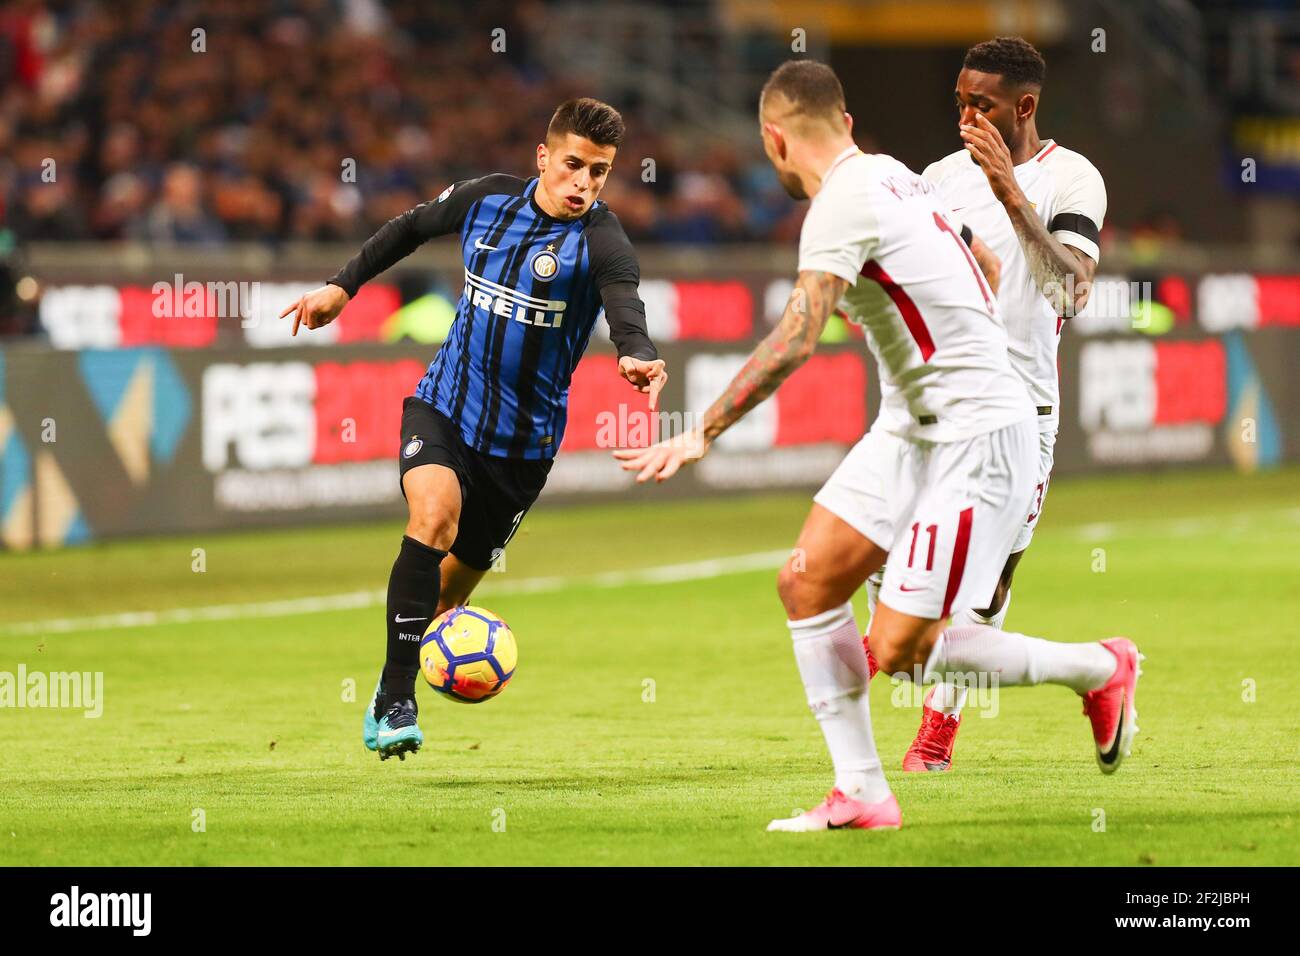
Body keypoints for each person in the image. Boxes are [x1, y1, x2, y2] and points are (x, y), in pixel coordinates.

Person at [615, 60, 1139, 832]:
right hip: (910, 425)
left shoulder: (839, 207)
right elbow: (985, 261)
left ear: (774, 140)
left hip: (978, 432)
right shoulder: (900, 175)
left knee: (901, 648)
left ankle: (1101, 667)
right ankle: (861, 791)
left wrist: (699, 432)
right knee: (807, 583)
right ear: (848, 125)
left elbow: (795, 340)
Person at [281, 98, 667, 760]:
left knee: (444, 600)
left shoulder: (601, 239)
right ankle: (402, 697)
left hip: (520, 453)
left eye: (598, 172)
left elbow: (623, 300)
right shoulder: (485, 201)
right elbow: (408, 228)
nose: (583, 183)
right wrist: (343, 287)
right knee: (432, 515)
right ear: (543, 158)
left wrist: (634, 348)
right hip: (444, 407)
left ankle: (385, 685)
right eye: (573, 165)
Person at [875, 36, 1109, 772]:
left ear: (1025, 106)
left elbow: (1069, 288)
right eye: (959, 103)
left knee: (985, 589)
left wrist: (1010, 191)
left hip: (1022, 415)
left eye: (982, 104)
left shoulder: (1072, 178)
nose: (966, 117)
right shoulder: (937, 177)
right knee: (889, 579)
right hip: (934, 407)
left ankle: (937, 734)